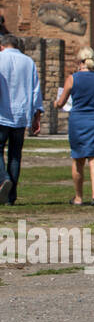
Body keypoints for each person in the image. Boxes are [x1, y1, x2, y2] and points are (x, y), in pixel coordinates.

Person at [54, 46, 94, 205]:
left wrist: (56, 104)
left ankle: (79, 197)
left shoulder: (72, 79)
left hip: (78, 120)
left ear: (80, 62)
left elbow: (61, 102)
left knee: (78, 159)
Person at [0, 34, 43, 206]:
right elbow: (35, 91)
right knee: (15, 155)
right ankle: (10, 197)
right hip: (21, 116)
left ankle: (4, 179)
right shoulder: (29, 62)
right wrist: (36, 117)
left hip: (2, 114)